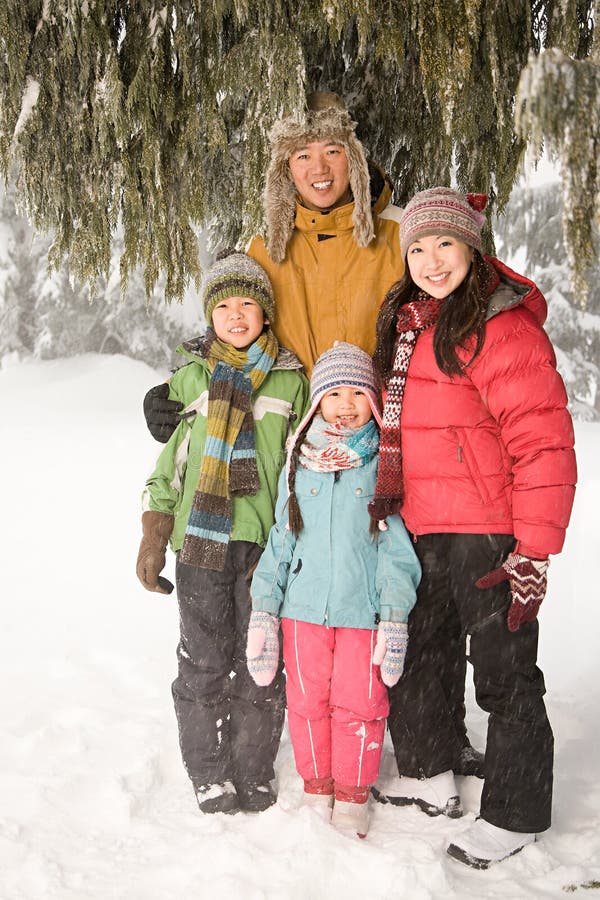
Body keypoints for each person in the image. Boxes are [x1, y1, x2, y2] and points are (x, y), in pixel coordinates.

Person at [142, 92, 485, 779]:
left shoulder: (393, 235)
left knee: (406, 581)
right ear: (285, 171)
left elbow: (442, 304)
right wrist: (169, 391)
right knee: (307, 577)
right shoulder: (269, 247)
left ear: (352, 157)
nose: (319, 168)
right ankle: (316, 721)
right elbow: (236, 328)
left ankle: (433, 738)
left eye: (331, 151)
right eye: (302, 156)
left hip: (389, 427)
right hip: (301, 438)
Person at [368, 186, 577, 867]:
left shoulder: (500, 324)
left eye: (446, 245)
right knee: (421, 658)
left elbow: (542, 442)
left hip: (489, 532)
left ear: (472, 248)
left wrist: (534, 547)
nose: (431, 260)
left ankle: (516, 812)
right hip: (418, 527)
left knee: (504, 674)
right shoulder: (407, 325)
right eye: (419, 248)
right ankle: (430, 768)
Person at [136, 250, 309, 815]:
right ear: (210, 315)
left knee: (260, 664)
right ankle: (209, 772)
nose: (237, 316)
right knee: (204, 662)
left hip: (262, 548)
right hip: (199, 547)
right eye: (224, 306)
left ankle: (253, 768)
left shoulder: (290, 380)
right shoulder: (191, 379)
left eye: (248, 304)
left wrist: (290, 541)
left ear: (265, 312)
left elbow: (297, 469)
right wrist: (154, 534)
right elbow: (171, 465)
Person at [245, 342, 421, 838]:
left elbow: (396, 551)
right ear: (317, 400)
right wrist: (264, 609)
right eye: (334, 393)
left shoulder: (382, 465)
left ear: (373, 399)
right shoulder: (298, 463)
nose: (346, 404)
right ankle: (317, 786)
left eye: (357, 393)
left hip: (361, 613)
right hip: (301, 612)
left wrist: (393, 615)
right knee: (305, 703)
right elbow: (281, 537)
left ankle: (351, 795)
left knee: (361, 705)